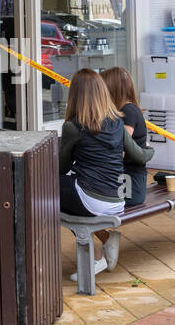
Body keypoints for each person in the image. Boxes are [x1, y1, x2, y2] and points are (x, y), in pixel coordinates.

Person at [59, 68, 153, 272]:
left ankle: (94, 258)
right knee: (73, 197)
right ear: (102, 92)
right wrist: (151, 151)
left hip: (92, 200)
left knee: (48, 187)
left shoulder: (72, 127)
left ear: (74, 95)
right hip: (118, 201)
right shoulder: (118, 124)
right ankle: (103, 244)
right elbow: (137, 154)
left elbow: (61, 167)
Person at [101, 66, 152, 208]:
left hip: (129, 184)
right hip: (128, 181)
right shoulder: (130, 110)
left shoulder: (128, 112)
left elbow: (119, 149)